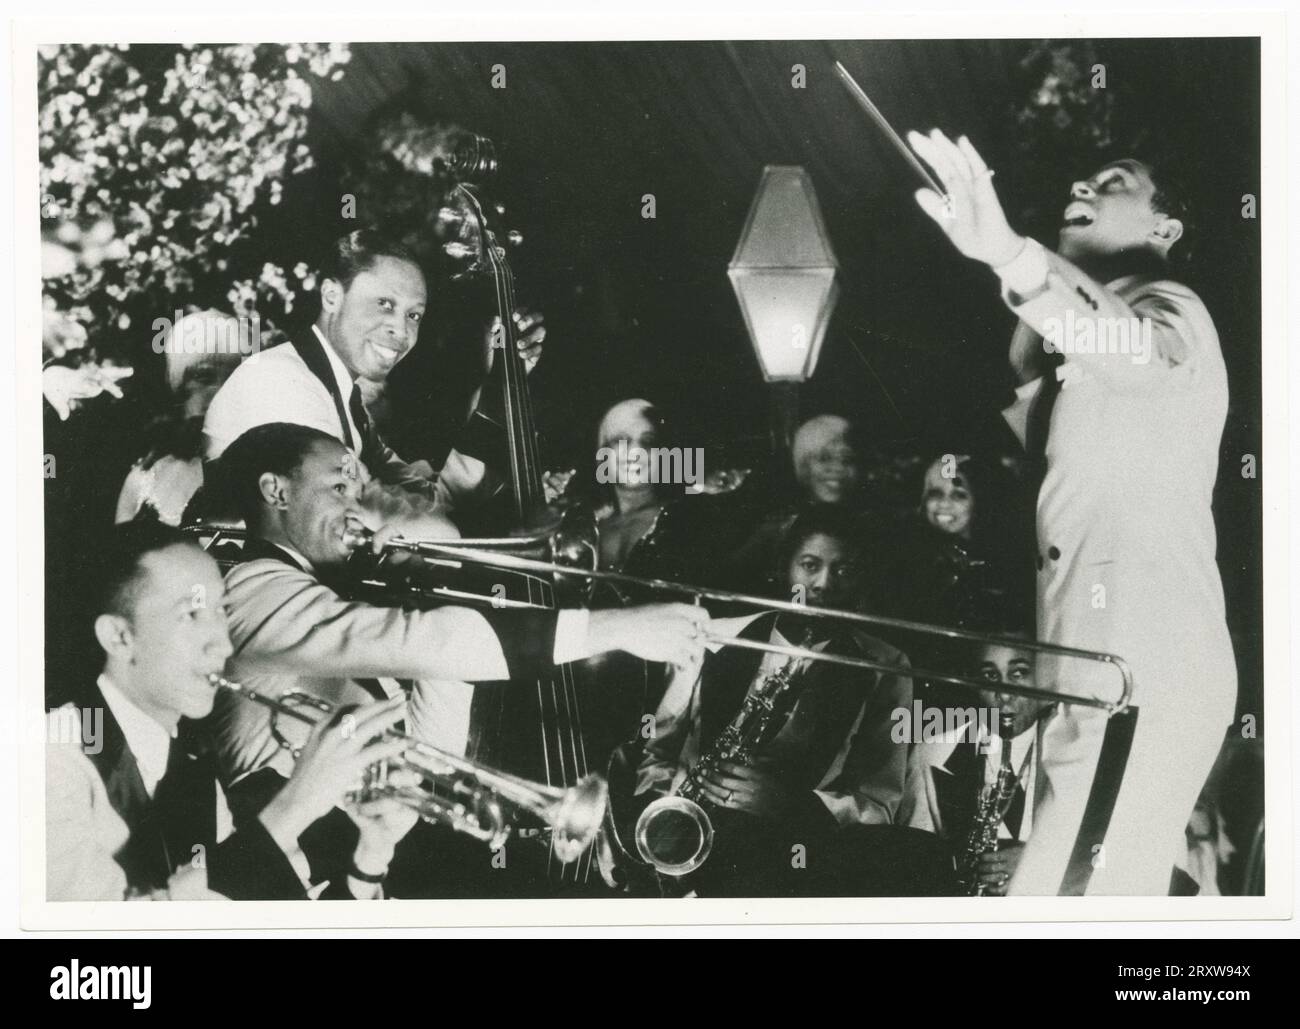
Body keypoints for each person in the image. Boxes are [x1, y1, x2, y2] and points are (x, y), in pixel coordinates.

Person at [907, 129, 1236, 894]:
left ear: (1167, 227)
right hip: (1102, 681)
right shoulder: (1088, 341)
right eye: (1083, 179)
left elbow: (1117, 345)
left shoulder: (1169, 309)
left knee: (1069, 904)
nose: (1082, 188)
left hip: (1139, 683)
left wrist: (1012, 255)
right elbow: (1063, 369)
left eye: (1113, 180)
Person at [205, 421, 710, 788]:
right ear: (276, 490)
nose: (355, 510)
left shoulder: (326, 594)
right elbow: (426, 642)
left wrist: (429, 584)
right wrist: (618, 629)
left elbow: (432, 759)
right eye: (339, 488)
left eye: (357, 493)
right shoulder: (249, 585)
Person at [45, 522, 419, 901]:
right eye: (191, 615)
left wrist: (370, 859)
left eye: (221, 611)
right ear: (119, 637)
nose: (223, 645)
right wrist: (297, 803)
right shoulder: (50, 759)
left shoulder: (197, 780)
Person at [634, 507, 954, 896]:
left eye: (844, 570)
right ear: (782, 569)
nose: (823, 584)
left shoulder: (886, 665)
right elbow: (658, 750)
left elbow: (879, 801)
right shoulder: (714, 637)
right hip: (687, 838)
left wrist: (792, 805)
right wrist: (669, 818)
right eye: (809, 565)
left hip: (796, 855)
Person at [202, 228, 546, 522]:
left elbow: (429, 502)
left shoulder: (339, 395)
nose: (401, 330)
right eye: (385, 304)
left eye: (414, 315)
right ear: (332, 296)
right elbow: (370, 518)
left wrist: (499, 384)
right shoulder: (281, 382)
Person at [898, 636, 1054, 896]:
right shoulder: (931, 752)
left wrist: (1037, 864)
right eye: (990, 676)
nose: (1004, 694)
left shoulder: (1069, 752)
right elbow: (915, 863)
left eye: (1018, 673)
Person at [115, 311, 243, 526]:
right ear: (181, 384)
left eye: (233, 377)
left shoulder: (266, 474)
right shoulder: (146, 478)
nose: (220, 389)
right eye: (204, 376)